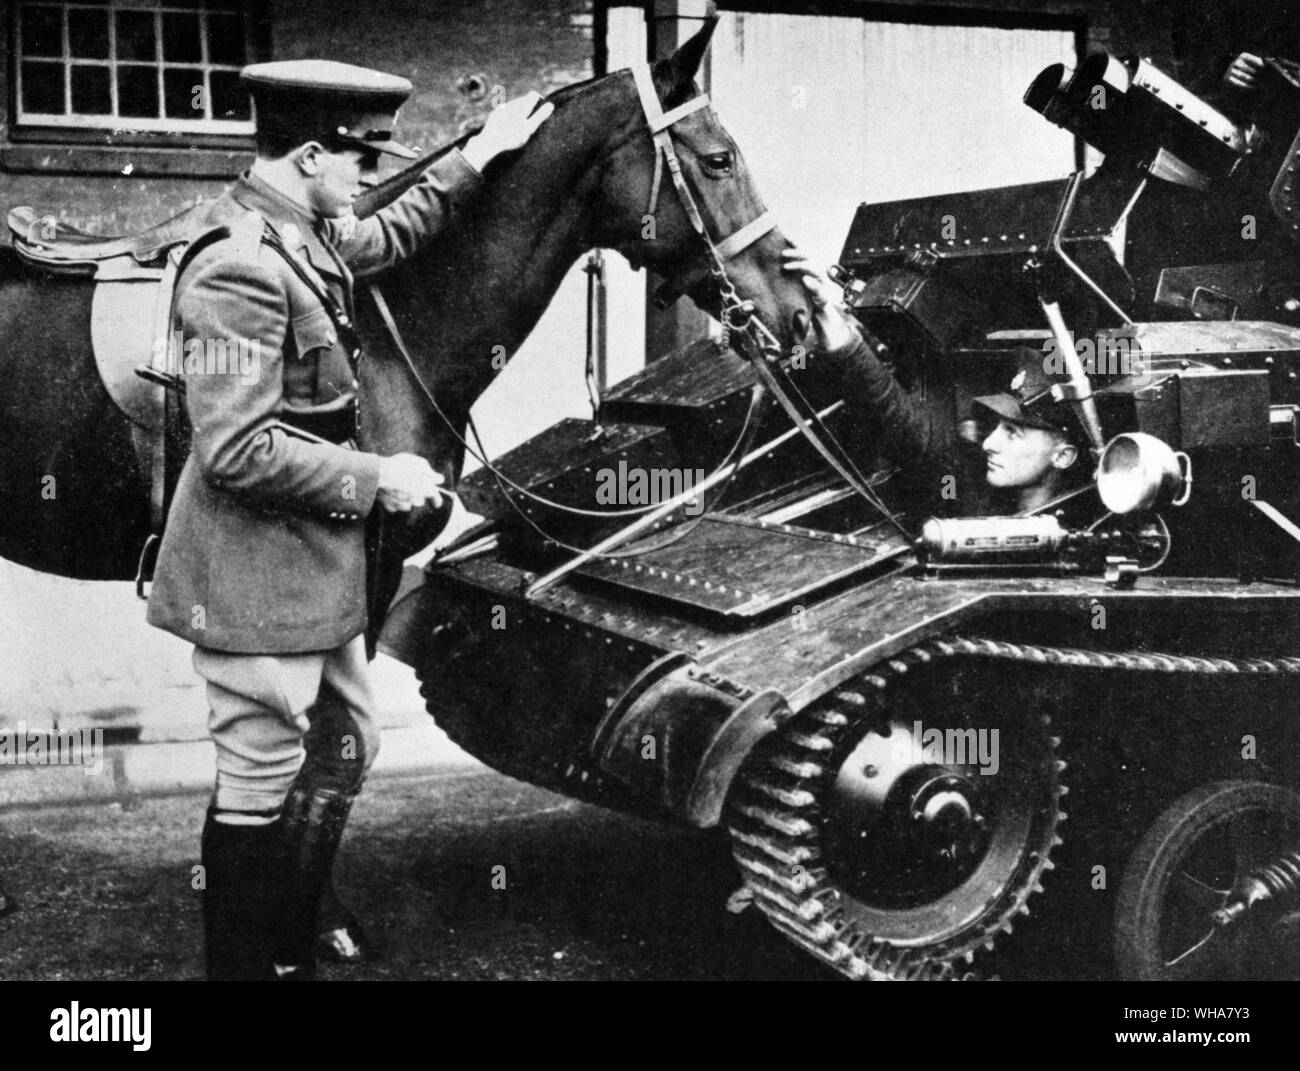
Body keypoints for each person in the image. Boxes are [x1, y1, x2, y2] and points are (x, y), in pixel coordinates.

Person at [145, 59, 552, 980]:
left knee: (345, 740)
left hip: (313, 572)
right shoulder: (238, 268)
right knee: (255, 782)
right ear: (311, 152)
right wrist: (378, 476)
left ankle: (286, 951)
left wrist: (479, 157)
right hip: (253, 577)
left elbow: (385, 233)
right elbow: (234, 450)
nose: (372, 176)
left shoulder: (302, 231)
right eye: (361, 159)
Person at [782, 249, 1087, 517]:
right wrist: (826, 317)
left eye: (1013, 433)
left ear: (1062, 455)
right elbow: (897, 415)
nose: (988, 443)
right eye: (998, 427)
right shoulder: (967, 483)